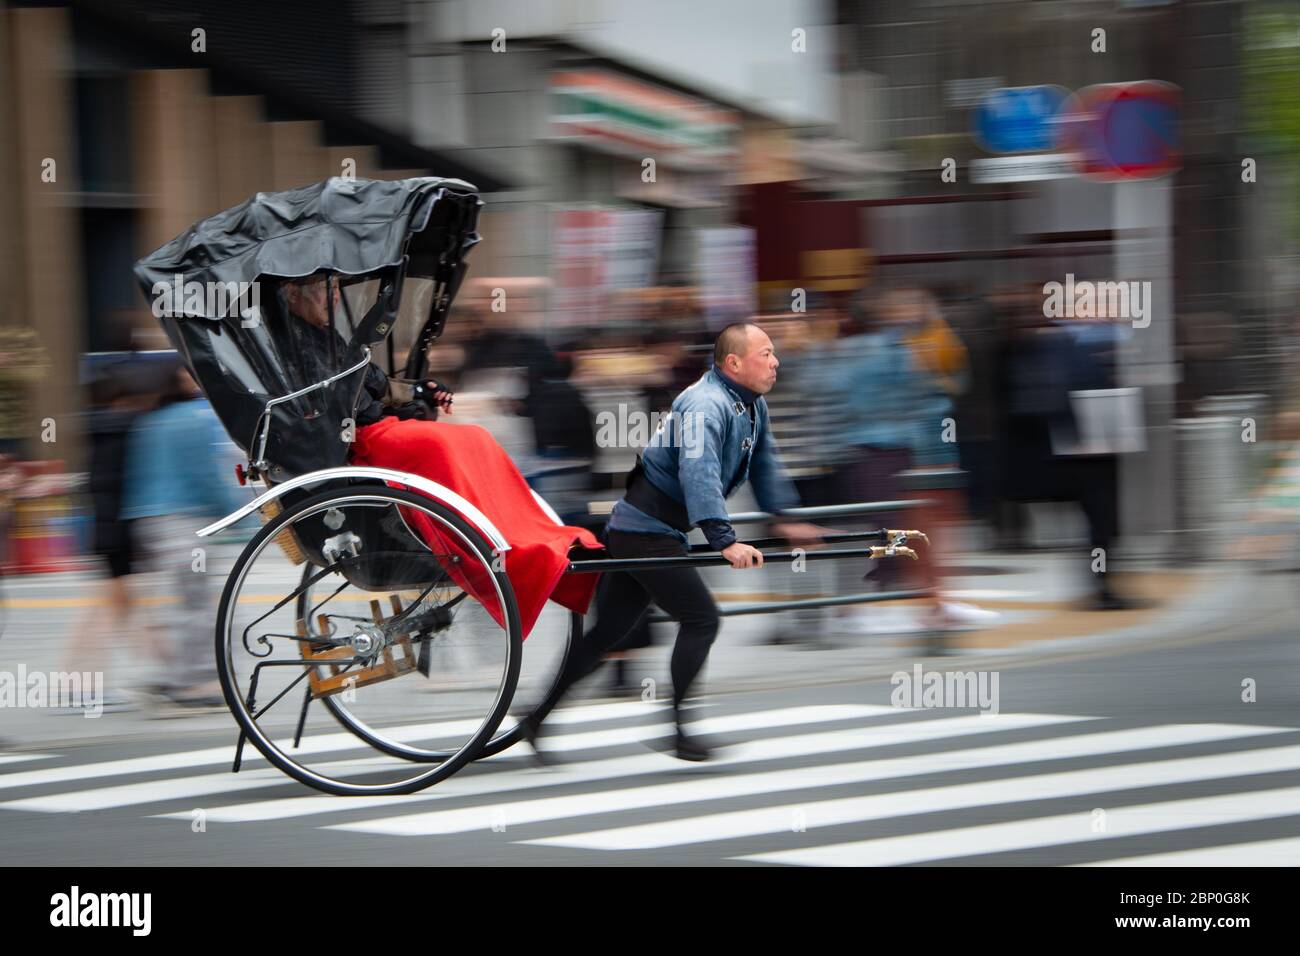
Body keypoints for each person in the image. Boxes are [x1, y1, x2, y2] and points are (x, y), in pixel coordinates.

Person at [522, 322, 827, 761]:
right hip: (645, 531)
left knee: (608, 632)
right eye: (766, 353)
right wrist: (725, 539)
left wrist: (787, 518)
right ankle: (681, 730)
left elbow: (764, 463)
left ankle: (536, 718)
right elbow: (697, 471)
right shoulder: (705, 404)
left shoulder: (751, 406)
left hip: (648, 531)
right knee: (702, 619)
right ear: (733, 363)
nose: (775, 361)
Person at [119, 365, 248, 712]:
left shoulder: (151, 420)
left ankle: (176, 676)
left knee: (185, 602)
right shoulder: (198, 417)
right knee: (197, 604)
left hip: (149, 522)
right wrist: (238, 517)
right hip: (185, 521)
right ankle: (190, 682)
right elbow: (208, 475)